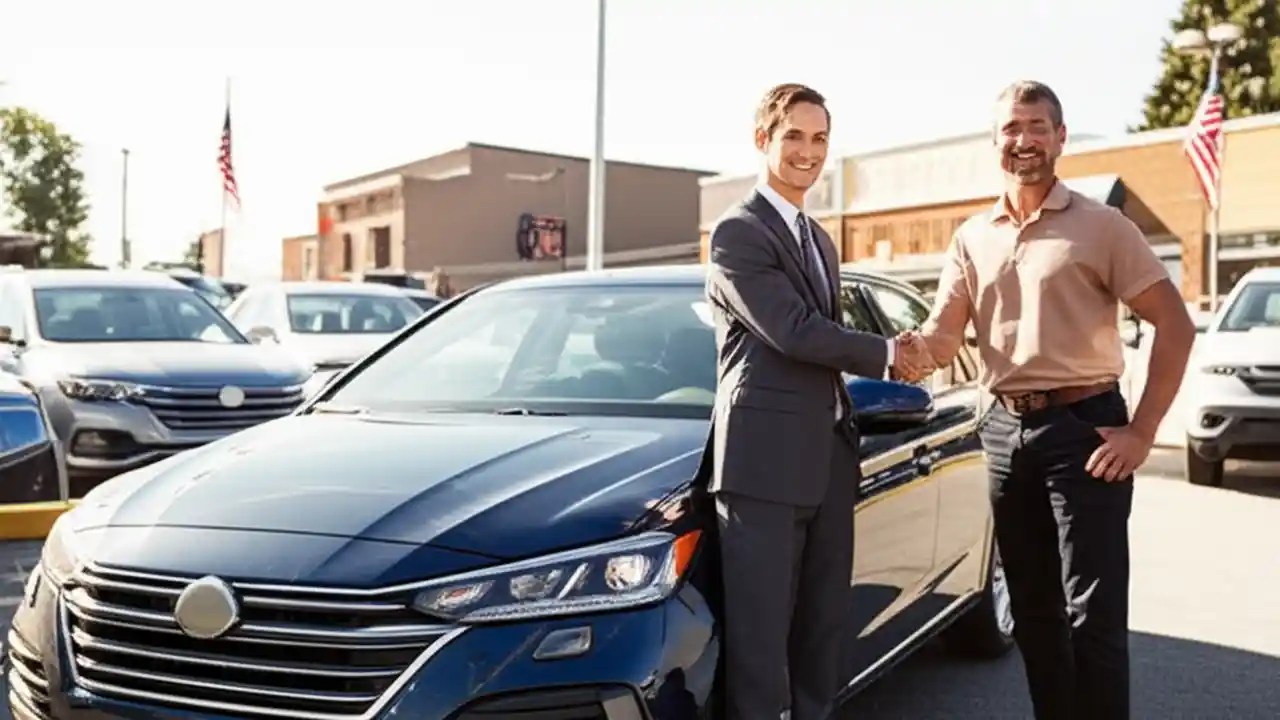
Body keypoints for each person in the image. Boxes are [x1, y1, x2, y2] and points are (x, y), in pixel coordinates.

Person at [897, 80, 1196, 720]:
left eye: (1037, 126)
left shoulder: (1103, 226)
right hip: (1004, 432)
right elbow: (945, 338)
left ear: (1060, 138)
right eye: (1011, 128)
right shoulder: (972, 236)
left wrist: (1142, 432)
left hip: (1087, 429)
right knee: (1033, 610)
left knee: (1093, 612)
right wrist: (903, 351)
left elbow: (1177, 324)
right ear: (995, 141)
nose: (1023, 140)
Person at [704, 83, 931, 720]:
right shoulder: (737, 233)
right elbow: (796, 331)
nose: (809, 152)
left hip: (828, 459)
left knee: (822, 630)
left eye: (820, 138)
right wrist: (891, 354)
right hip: (762, 467)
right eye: (795, 137)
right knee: (760, 642)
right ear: (763, 141)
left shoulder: (818, 237)